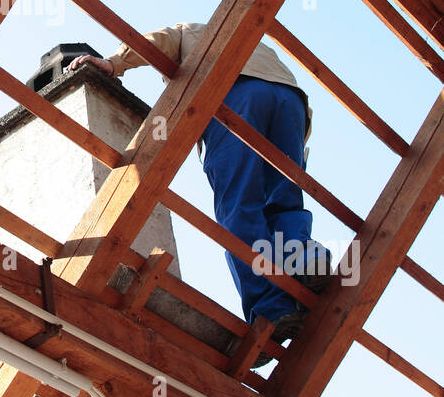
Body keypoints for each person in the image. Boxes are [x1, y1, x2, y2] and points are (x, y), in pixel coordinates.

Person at [69, 23, 331, 364]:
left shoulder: (192, 33)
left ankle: (272, 309)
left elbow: (160, 39)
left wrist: (115, 62)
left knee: (238, 208)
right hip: (291, 103)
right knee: (282, 200)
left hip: (235, 98)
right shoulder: (250, 39)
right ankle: (306, 259)